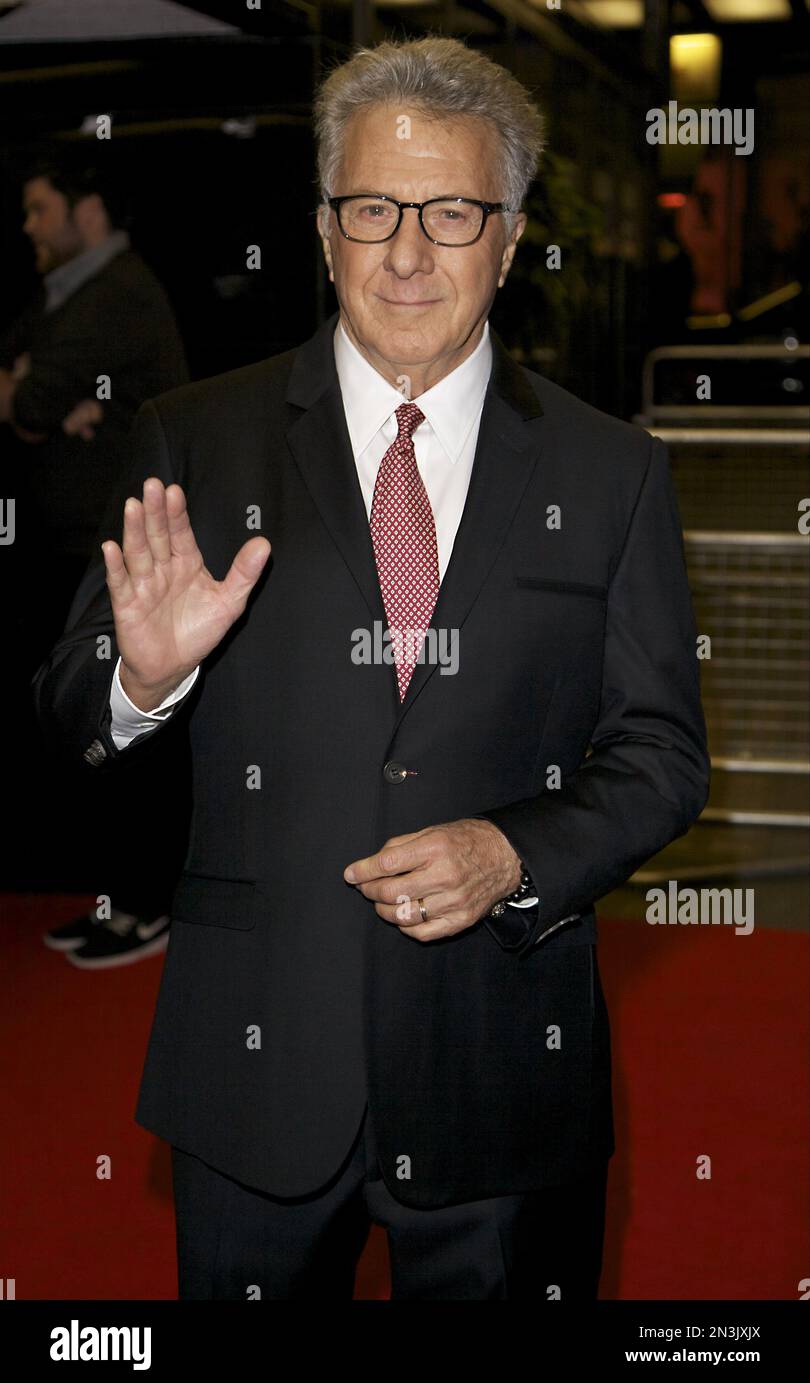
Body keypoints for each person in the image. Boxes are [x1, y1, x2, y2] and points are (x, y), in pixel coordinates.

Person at [33, 37, 709, 1299]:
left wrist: (515, 852)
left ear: (508, 243)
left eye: (452, 214)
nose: (407, 253)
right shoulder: (196, 433)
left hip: (505, 1074)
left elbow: (664, 757)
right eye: (371, 210)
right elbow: (67, 712)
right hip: (254, 1072)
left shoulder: (611, 472)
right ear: (325, 229)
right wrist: (142, 679)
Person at [1, 155, 191, 963]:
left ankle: (147, 906)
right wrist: (33, 396)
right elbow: (22, 380)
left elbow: (31, 399)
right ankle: (123, 900)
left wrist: (37, 399)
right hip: (87, 548)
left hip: (125, 555)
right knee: (91, 729)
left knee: (134, 730)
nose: (27, 226)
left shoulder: (117, 292)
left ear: (87, 210)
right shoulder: (66, 292)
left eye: (39, 208)